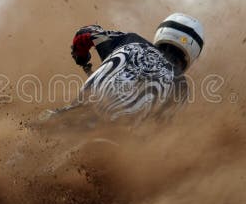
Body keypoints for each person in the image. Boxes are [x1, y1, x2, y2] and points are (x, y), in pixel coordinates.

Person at [40, 13, 205, 127]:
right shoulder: (181, 87)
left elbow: (86, 33)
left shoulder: (130, 40)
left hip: (78, 111)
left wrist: (81, 55)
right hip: (118, 137)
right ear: (193, 51)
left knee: (35, 130)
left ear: (162, 32)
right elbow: (162, 130)